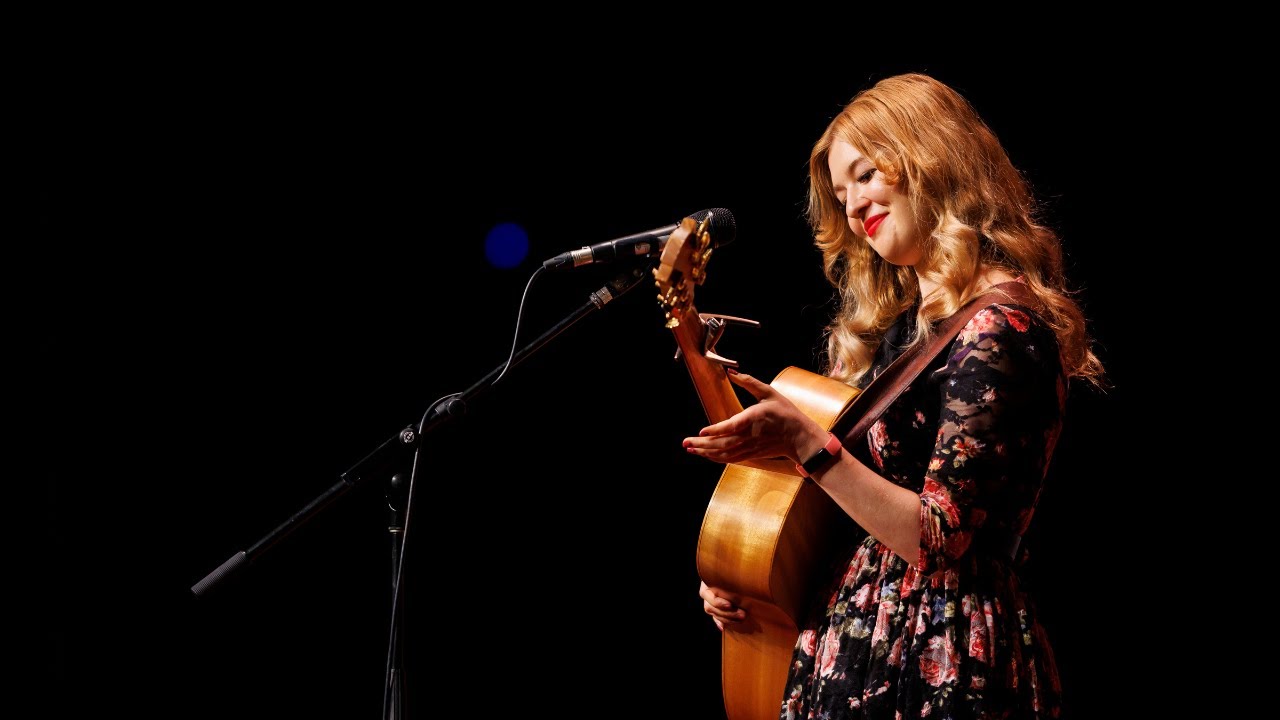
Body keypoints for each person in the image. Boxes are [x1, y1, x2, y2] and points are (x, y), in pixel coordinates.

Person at [684, 73, 1105, 719]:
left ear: (929, 157)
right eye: (840, 193)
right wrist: (756, 594)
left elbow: (939, 538)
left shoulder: (1001, 328)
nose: (852, 208)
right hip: (869, 647)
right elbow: (857, 526)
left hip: (940, 661)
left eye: (866, 175)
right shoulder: (913, 338)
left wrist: (804, 440)